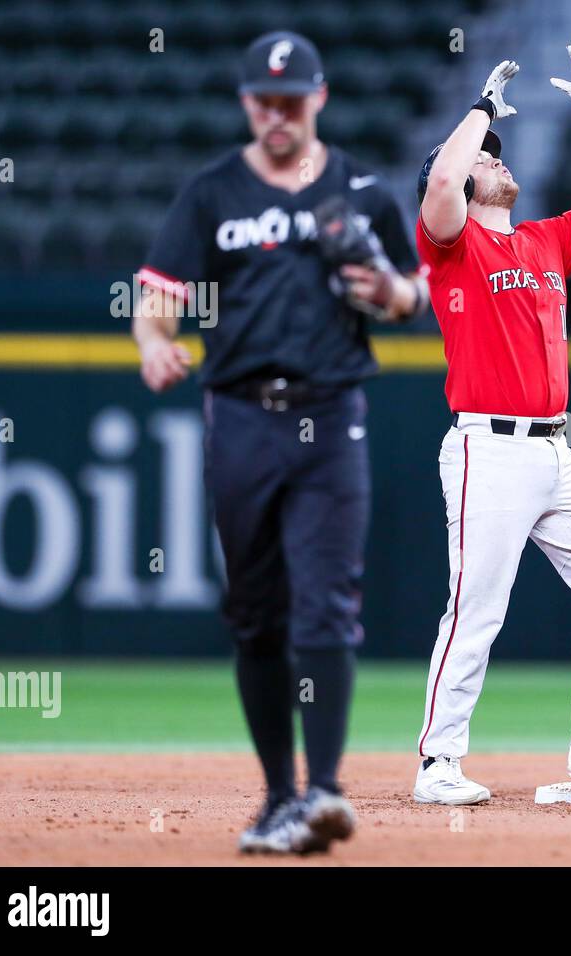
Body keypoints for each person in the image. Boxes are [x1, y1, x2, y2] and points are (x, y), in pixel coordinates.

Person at [131, 31, 429, 853]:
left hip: (332, 416)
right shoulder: (211, 193)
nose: (276, 115)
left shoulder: (362, 190)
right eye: (263, 101)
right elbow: (154, 296)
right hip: (240, 417)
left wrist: (389, 291)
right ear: (245, 104)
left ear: (319, 99)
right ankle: (276, 798)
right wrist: (155, 342)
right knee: (257, 617)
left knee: (327, 605)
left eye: (291, 100)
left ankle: (325, 791)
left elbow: (411, 296)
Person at [411, 43, 571, 805]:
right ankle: (438, 762)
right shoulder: (451, 243)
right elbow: (439, 182)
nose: (496, 160)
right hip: (486, 447)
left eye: (496, 154)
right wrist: (480, 111)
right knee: (477, 609)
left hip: (553, 448)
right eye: (484, 158)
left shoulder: (542, 240)